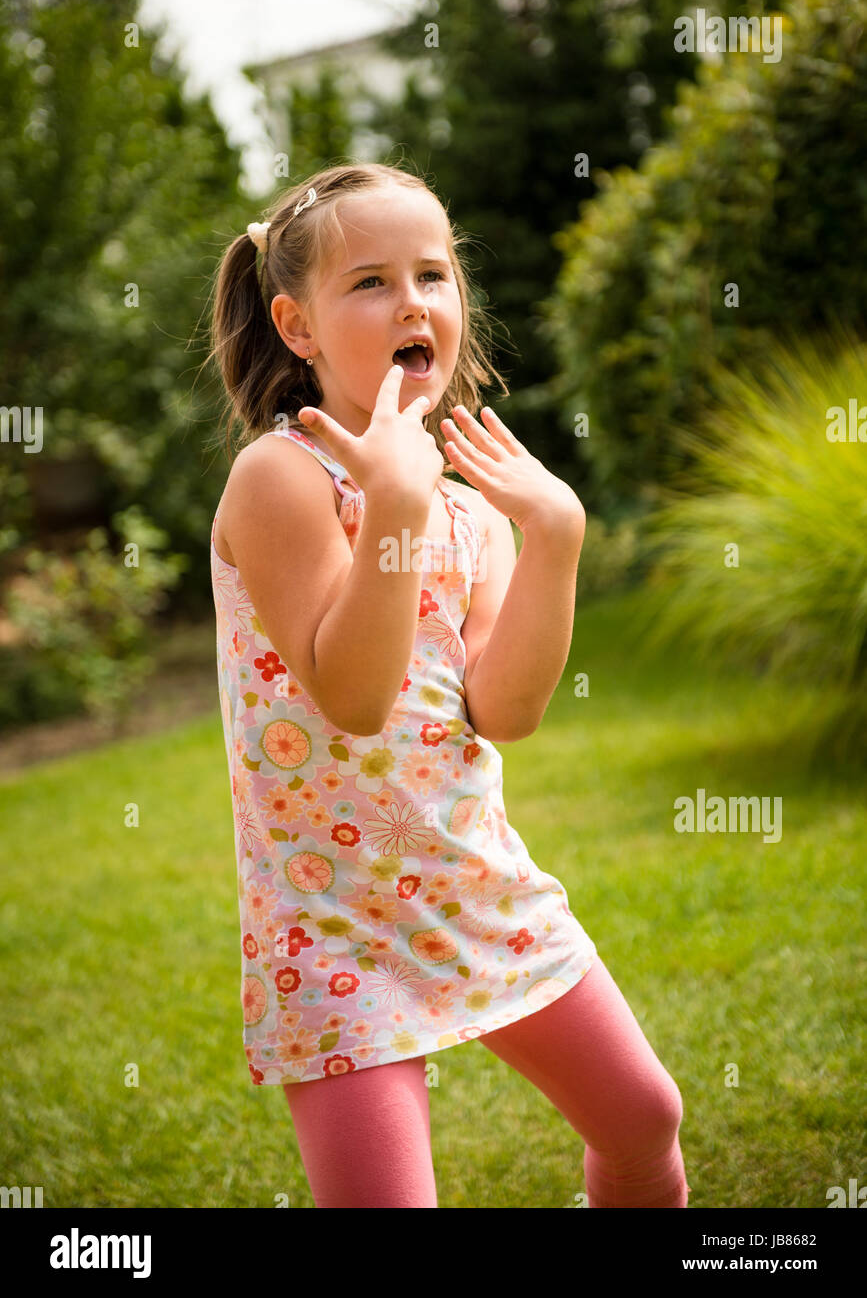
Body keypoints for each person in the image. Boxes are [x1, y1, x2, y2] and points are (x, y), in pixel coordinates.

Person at [206, 161, 689, 1209]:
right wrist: (393, 506)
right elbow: (354, 695)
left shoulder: (468, 513)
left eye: (434, 273)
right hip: (333, 928)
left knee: (646, 1116)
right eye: (370, 282)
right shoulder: (280, 479)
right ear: (298, 328)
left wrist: (553, 535)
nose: (413, 300)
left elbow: (502, 711)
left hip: (476, 885)